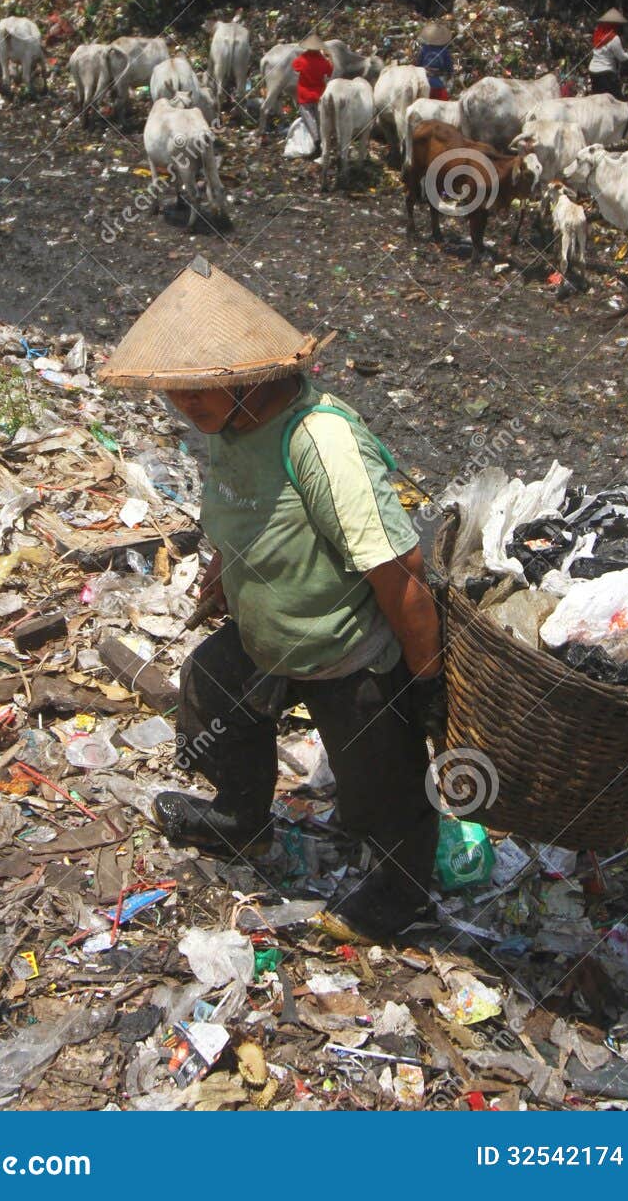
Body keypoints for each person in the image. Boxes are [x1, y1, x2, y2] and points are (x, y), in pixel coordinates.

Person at [101, 257, 444, 943]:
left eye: (200, 391)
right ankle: (241, 821)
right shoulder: (228, 428)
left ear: (253, 376)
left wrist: (426, 681)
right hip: (272, 638)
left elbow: (399, 572)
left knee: (383, 794)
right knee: (211, 686)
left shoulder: (321, 442)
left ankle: (402, 895)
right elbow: (246, 511)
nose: (184, 406)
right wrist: (227, 570)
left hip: (347, 652)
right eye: (176, 393)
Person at [291, 32, 332, 150]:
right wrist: (329, 57)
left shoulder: (302, 59)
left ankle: (315, 139)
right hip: (319, 94)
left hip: (304, 94)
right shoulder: (323, 61)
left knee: (309, 118)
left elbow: (294, 66)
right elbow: (330, 72)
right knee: (320, 119)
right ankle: (322, 139)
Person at [588, 8, 628, 99]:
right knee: (617, 100)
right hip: (606, 72)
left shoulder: (597, 33)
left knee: (598, 99)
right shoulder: (614, 38)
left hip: (593, 71)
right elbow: (622, 57)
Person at [414, 20, 454, 100]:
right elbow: (449, 69)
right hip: (437, 83)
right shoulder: (445, 51)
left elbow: (417, 64)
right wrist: (450, 74)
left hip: (422, 79)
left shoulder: (424, 49)